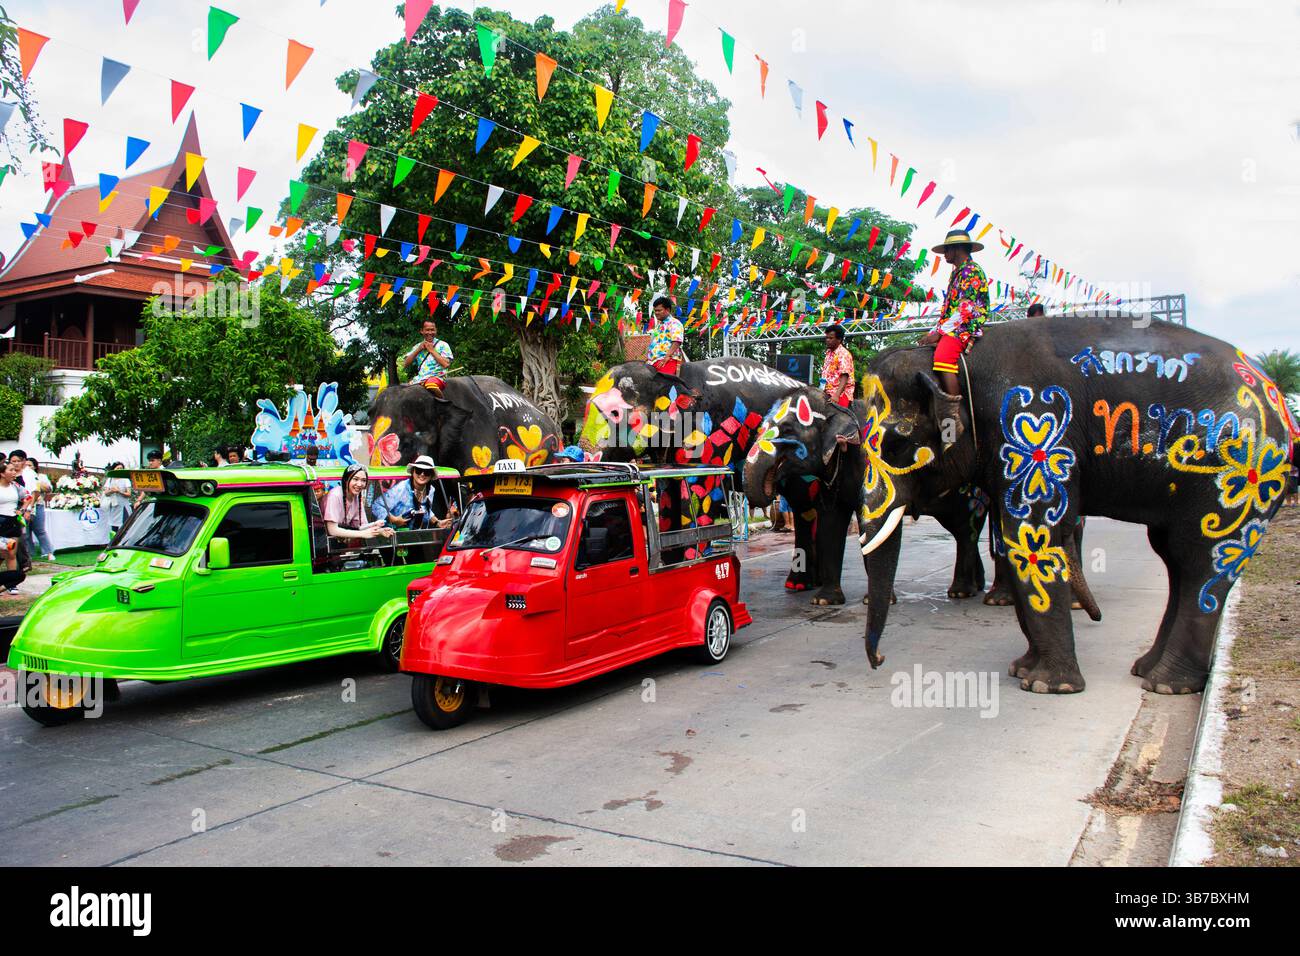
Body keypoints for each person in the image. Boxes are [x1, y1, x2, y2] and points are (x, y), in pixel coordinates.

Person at [923, 229, 990, 450]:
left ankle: (954, 417)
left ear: (957, 249)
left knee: (942, 357)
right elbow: (948, 309)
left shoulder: (971, 271)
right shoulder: (956, 272)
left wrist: (940, 333)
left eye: (947, 250)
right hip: (953, 323)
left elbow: (963, 310)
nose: (944, 255)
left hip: (966, 325)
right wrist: (934, 331)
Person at [372, 456, 456, 531]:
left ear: (431, 475)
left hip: (416, 538)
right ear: (413, 472)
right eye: (419, 470)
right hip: (393, 537)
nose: (422, 474)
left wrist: (437, 522)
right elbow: (377, 506)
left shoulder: (430, 490)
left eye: (426, 472)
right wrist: (394, 519)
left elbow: (425, 510)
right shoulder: (401, 488)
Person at [323, 463, 395, 543]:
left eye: (363, 480)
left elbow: (360, 527)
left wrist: (380, 531)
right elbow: (332, 530)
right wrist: (362, 534)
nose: (360, 484)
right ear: (346, 479)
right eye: (355, 479)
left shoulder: (356, 497)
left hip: (337, 544)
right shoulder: (335, 495)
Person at [0, 460, 32, 589]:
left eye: (14, 470)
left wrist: (23, 510)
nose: (14, 473)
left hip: (12, 522)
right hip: (0, 522)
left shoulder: (15, 486)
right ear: (2, 474)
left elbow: (28, 497)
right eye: (10, 470)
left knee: (11, 553)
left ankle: (11, 584)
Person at [403, 318, 453, 393]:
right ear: (422, 331)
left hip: (437, 378)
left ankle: (443, 403)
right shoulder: (417, 346)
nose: (430, 332)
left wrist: (432, 350)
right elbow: (405, 364)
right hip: (420, 379)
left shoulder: (443, 345)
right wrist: (418, 349)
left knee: (431, 384)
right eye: (427, 330)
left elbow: (446, 364)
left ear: (436, 330)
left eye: (432, 330)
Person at [21, 457, 55, 561]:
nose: (28, 467)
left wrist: (36, 482)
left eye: (30, 465)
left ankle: (48, 551)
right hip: (26, 505)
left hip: (38, 505)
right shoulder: (21, 475)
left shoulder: (40, 476)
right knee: (25, 533)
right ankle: (29, 553)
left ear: (35, 466)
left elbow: (48, 489)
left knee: (39, 530)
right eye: (26, 465)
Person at [646, 296, 685, 375]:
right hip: (652, 362)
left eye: (659, 310)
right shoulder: (658, 326)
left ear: (667, 310)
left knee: (663, 384)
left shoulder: (674, 323)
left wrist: (666, 357)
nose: (656, 313)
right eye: (655, 311)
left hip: (668, 361)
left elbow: (677, 341)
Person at [820, 324, 855, 407]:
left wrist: (836, 395)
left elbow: (845, 376)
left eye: (831, 338)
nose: (827, 340)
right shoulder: (828, 353)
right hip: (826, 392)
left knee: (838, 419)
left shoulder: (843, 354)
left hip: (840, 394)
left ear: (839, 339)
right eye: (827, 338)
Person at [101, 461, 134, 536]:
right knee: (114, 527)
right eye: (117, 468)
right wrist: (111, 491)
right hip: (113, 507)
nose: (119, 469)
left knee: (125, 526)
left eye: (121, 468)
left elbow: (129, 494)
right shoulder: (109, 479)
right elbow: (106, 493)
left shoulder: (125, 480)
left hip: (123, 507)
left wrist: (119, 491)